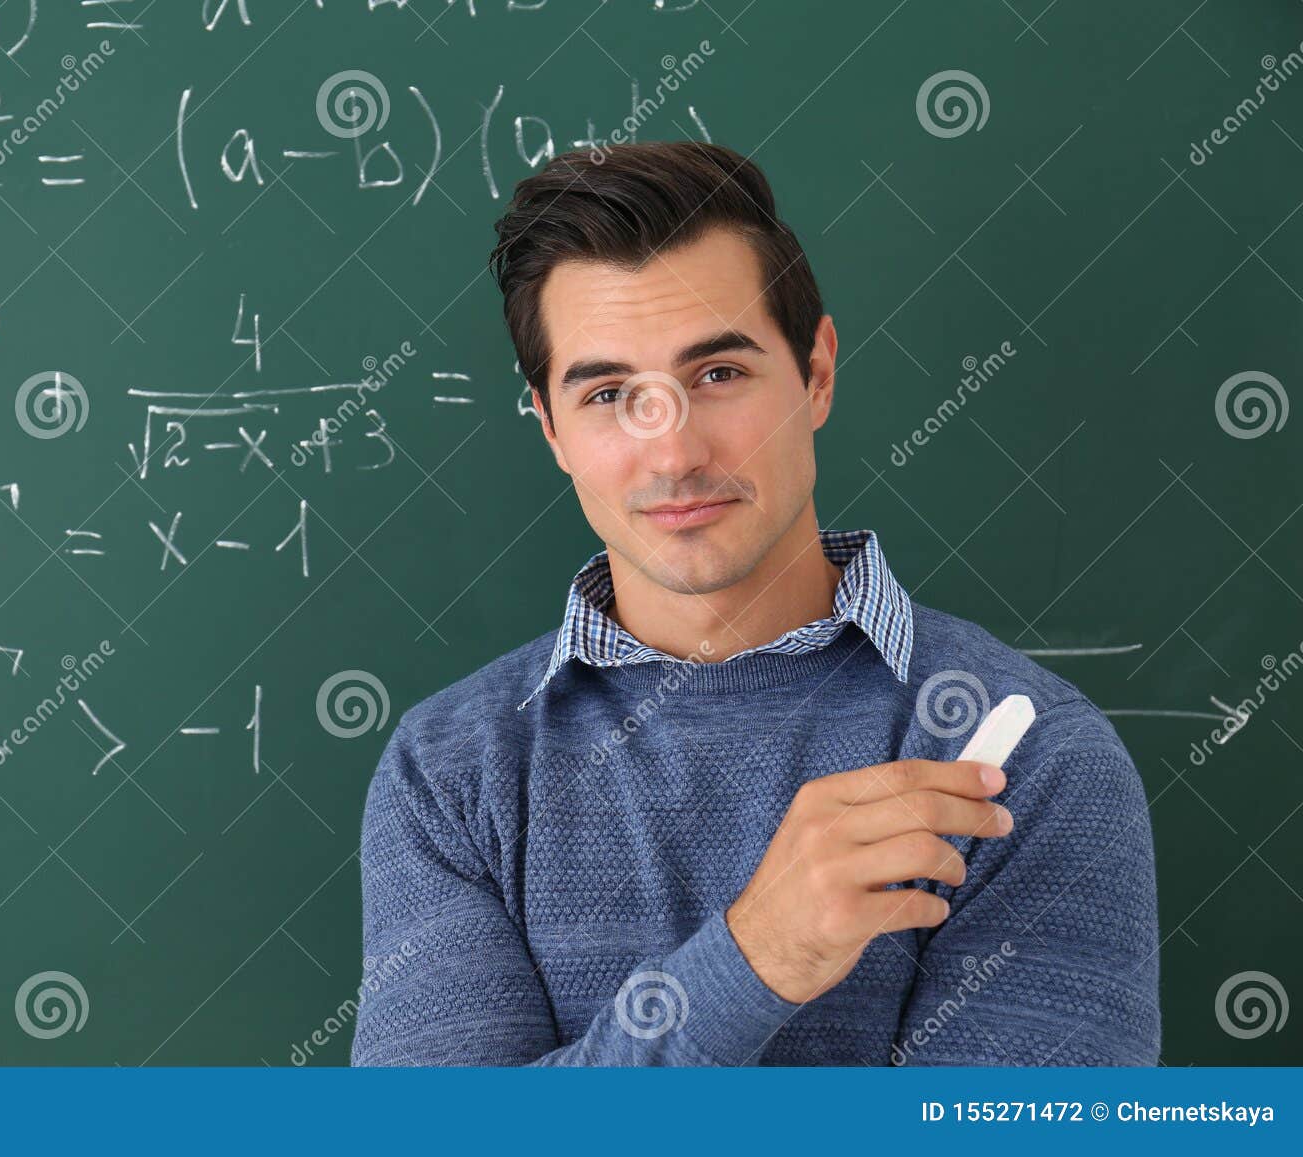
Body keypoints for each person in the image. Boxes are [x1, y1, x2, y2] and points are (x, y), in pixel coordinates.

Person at [350, 140, 1160, 1066]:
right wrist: (756, 960)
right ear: (551, 430)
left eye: (719, 375)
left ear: (816, 372)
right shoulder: (450, 772)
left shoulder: (1029, 756)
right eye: (610, 394)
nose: (674, 454)